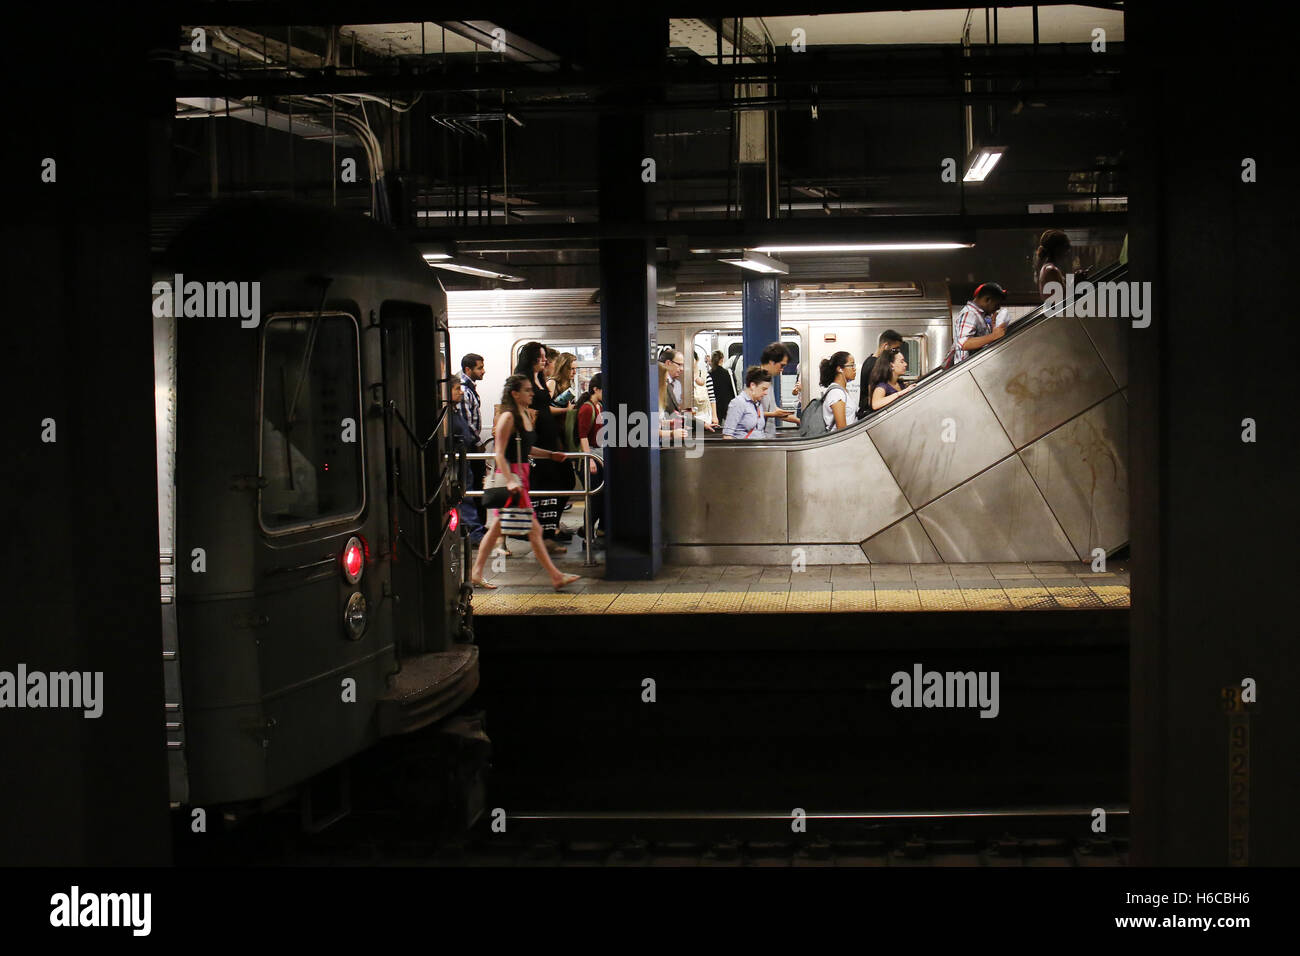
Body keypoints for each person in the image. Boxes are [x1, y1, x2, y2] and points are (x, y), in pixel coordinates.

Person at [470, 374, 580, 591]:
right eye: (527, 390)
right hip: (512, 479)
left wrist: (550, 455)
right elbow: (499, 453)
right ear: (515, 393)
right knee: (534, 529)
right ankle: (556, 576)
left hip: (521, 476)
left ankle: (476, 573)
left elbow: (526, 449)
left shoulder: (524, 415)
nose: (532, 393)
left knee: (497, 530)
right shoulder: (508, 417)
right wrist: (511, 482)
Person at [516, 342, 572, 551]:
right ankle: (544, 535)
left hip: (550, 440)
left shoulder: (539, 380)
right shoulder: (523, 380)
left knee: (564, 480)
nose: (545, 360)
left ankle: (548, 530)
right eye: (540, 357)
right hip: (536, 442)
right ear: (531, 358)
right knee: (546, 486)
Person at [449, 380, 485, 541]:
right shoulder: (446, 414)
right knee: (465, 498)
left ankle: (474, 531)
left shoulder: (454, 411)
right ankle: (474, 534)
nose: (461, 392)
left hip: (463, 460)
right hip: (456, 462)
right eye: (457, 389)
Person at [458, 352, 487, 538]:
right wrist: (478, 442)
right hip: (467, 447)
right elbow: (466, 422)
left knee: (475, 486)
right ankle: (473, 531)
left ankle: (477, 526)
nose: (483, 371)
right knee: (469, 487)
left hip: (471, 445)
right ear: (468, 369)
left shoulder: (469, 388)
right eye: (480, 368)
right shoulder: (463, 390)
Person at [575, 372, 604, 536]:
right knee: (594, 497)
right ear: (596, 389)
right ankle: (587, 529)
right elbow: (583, 435)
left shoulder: (599, 406)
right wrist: (590, 460)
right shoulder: (587, 408)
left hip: (599, 455)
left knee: (600, 495)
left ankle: (595, 528)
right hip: (591, 456)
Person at [951, 282, 1008, 366]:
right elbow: (963, 343)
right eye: (997, 304)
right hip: (967, 371)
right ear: (987, 299)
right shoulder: (970, 314)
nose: (998, 307)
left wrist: (993, 327)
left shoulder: (980, 315)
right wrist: (994, 336)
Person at [855, 330, 903, 421]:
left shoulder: (870, 360)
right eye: (894, 349)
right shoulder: (874, 365)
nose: (896, 353)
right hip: (871, 416)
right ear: (885, 346)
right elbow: (872, 395)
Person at [759, 342, 799, 435]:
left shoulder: (769, 379)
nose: (782, 369)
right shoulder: (755, 381)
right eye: (781, 365)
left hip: (767, 436)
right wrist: (774, 414)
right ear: (771, 362)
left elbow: (772, 409)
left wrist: (798, 420)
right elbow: (749, 413)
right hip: (758, 438)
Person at [722, 366, 771, 439]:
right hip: (744, 448)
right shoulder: (738, 403)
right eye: (764, 389)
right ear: (753, 385)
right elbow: (727, 436)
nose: (766, 393)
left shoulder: (758, 403)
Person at [818, 351, 856, 433]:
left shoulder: (842, 391)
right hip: (841, 442)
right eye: (851, 365)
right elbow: (841, 428)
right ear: (840, 369)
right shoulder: (836, 393)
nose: (854, 369)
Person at [692, 348, 719, 428]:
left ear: (697, 360)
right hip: (690, 417)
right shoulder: (682, 376)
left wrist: (714, 416)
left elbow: (712, 397)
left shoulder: (705, 375)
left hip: (704, 415)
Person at [710, 349, 737, 424]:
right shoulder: (729, 373)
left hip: (715, 407)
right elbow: (733, 390)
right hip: (727, 406)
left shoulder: (709, 374)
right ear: (722, 359)